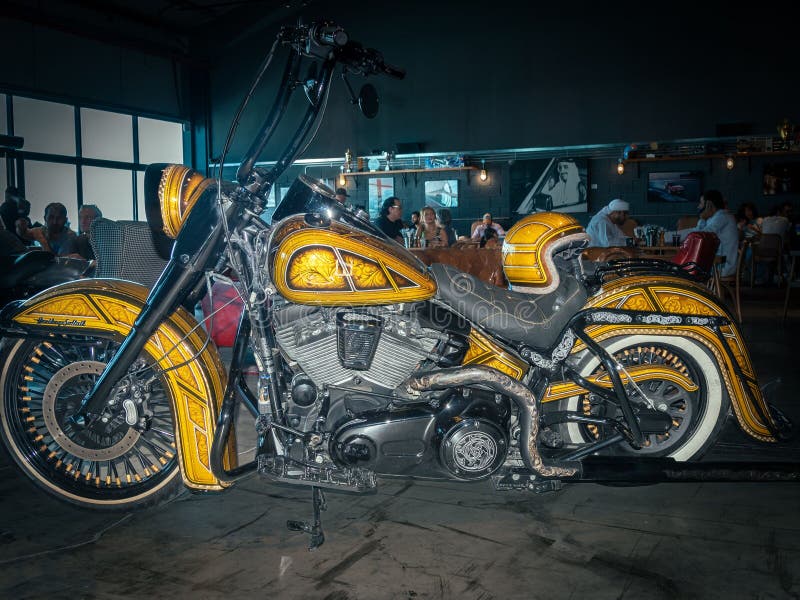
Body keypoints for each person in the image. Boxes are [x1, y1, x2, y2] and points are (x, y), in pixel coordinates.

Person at [692, 190, 738, 277]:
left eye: (701, 203)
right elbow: (698, 231)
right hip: (719, 263)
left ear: (709, 205)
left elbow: (702, 235)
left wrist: (702, 219)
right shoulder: (716, 217)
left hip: (723, 266)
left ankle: (700, 290)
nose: (699, 207)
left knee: (690, 268)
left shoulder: (722, 217)